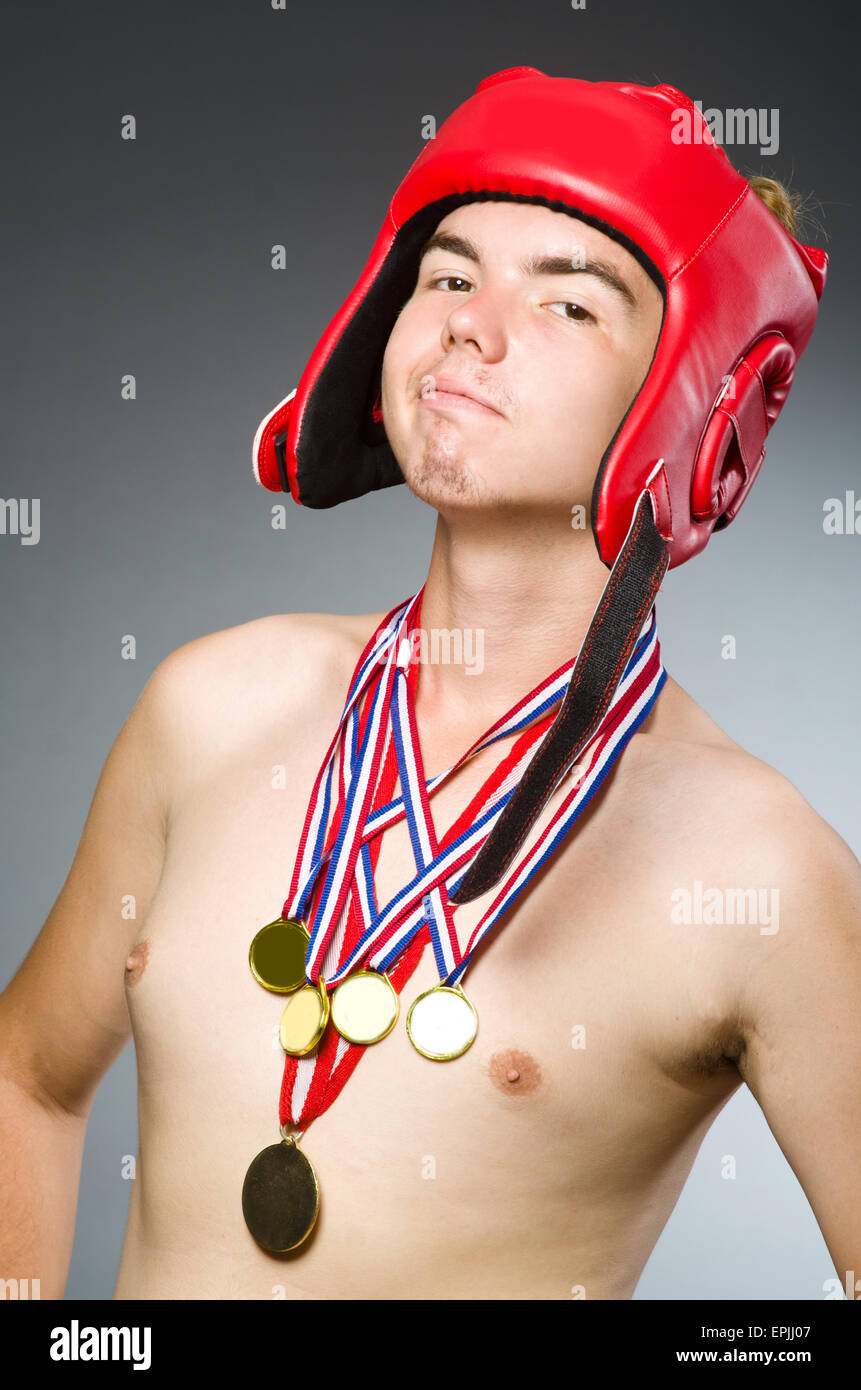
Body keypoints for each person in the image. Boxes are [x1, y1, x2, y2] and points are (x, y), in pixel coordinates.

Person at [1, 74, 858, 1302]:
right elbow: (25, 1074)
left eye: (567, 301)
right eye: (451, 276)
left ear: (689, 416)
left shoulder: (757, 863)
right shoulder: (210, 706)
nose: (471, 323)